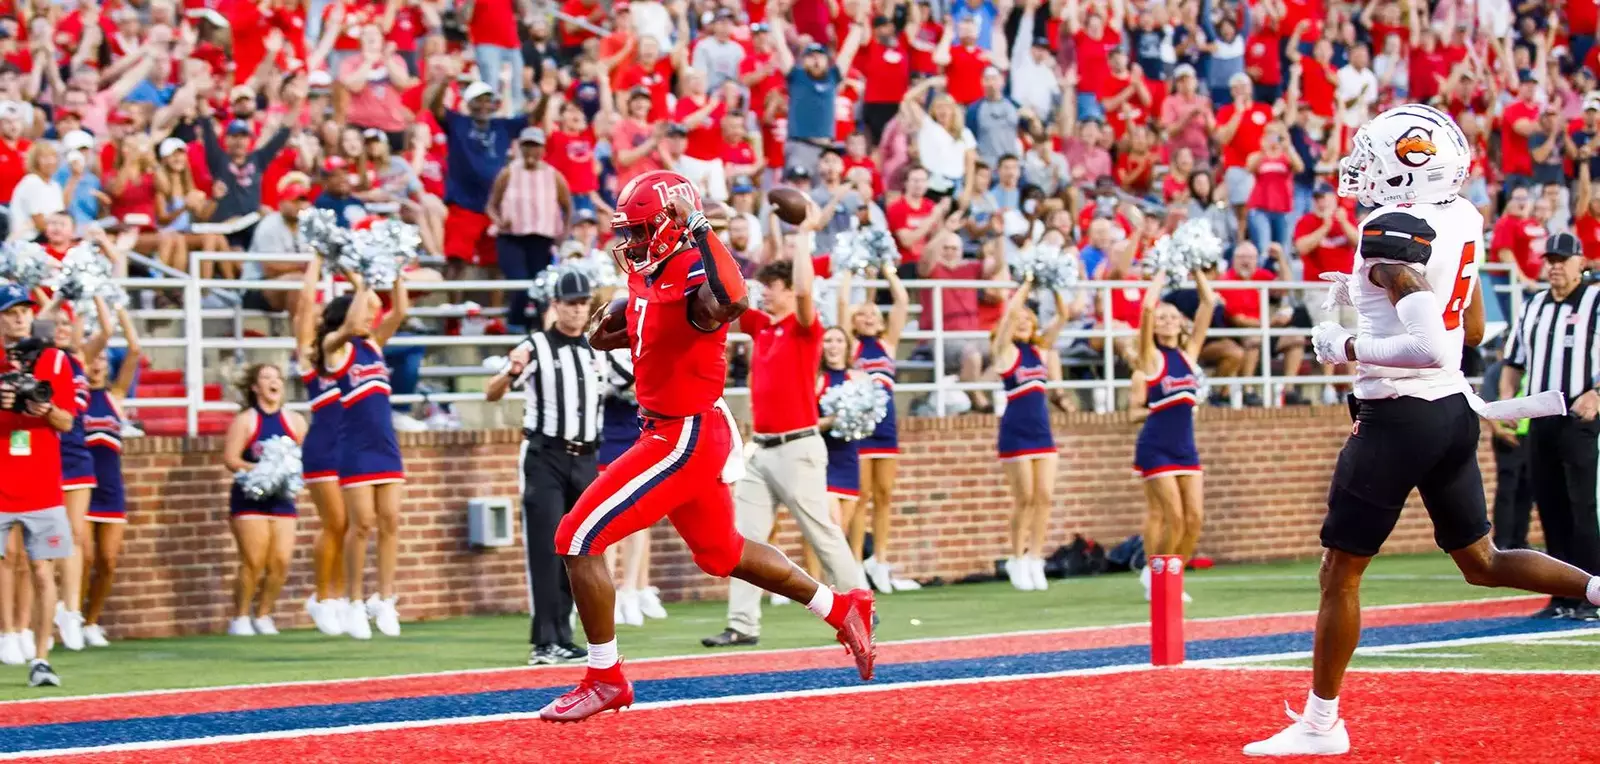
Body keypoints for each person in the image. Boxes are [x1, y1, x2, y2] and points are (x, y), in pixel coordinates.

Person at [1247, 104, 1600, 756]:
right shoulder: (1463, 215)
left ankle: (1322, 724)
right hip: (1451, 415)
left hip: (1398, 419)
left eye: (1377, 161)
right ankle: (1598, 587)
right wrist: (1370, 298)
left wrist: (1344, 342)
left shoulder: (1388, 229)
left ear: (1408, 169)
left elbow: (1433, 344)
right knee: (1482, 562)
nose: (1363, 170)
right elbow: (1466, 327)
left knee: (1340, 573)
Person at [539, 170, 875, 722]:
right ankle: (840, 606)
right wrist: (620, 321)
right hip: (676, 427)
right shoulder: (650, 274)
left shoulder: (696, 273)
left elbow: (731, 298)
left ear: (674, 224)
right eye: (632, 231)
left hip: (685, 432)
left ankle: (605, 676)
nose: (635, 242)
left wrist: (700, 230)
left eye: (644, 230)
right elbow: (611, 335)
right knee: (722, 553)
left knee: (577, 536)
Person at [711, 246, 871, 648]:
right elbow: (731, 295)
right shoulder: (762, 327)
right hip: (760, 450)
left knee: (820, 531)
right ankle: (742, 623)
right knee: (743, 538)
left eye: (771, 286)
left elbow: (804, 291)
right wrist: (705, 237)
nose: (764, 292)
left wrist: (805, 233)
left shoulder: (806, 327)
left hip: (797, 448)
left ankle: (862, 605)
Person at [486, 270, 602, 666]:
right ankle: (543, 640)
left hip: (586, 457)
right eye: (571, 303)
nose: (578, 310)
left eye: (583, 303)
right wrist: (512, 370)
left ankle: (564, 636)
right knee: (545, 547)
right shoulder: (535, 346)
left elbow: (632, 382)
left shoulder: (595, 349)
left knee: (578, 547)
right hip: (546, 456)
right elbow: (492, 392)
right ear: (555, 306)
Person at [1498, 231, 1600, 619]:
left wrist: (1597, 393)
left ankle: (1593, 593)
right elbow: (1513, 362)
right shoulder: (1533, 305)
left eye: (1563, 259)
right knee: (1550, 506)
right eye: (1550, 260)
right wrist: (1508, 402)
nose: (1555, 266)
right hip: (1541, 418)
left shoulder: (1597, 299)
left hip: (1581, 418)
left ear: (1582, 262)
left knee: (1583, 505)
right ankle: (1562, 595)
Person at [317, 271, 409, 639]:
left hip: (385, 447)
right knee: (361, 526)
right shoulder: (334, 347)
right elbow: (355, 322)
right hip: (355, 449)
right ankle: (353, 601)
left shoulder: (373, 344)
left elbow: (399, 310)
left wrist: (397, 267)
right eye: (365, 310)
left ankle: (384, 598)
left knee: (390, 522)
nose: (371, 316)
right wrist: (362, 280)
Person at [0, 283, 77, 687]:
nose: (19, 317)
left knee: (43, 571)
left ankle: (42, 658)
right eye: (11, 311)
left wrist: (45, 408)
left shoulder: (55, 360)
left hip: (42, 481)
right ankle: (7, 633)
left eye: (25, 311)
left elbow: (67, 422)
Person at [1129, 270, 1217, 602]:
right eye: (1161, 318)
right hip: (1156, 448)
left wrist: (1195, 269)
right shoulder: (1149, 358)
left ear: (1181, 322)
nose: (1166, 321)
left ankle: (1172, 574)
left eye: (1172, 317)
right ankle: (1157, 577)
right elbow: (1146, 310)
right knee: (1173, 516)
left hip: (1185, 447)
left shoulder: (1188, 355)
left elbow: (1208, 303)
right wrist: (1161, 274)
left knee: (1194, 519)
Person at [991, 277, 1070, 591]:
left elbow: (1063, 315)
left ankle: (1036, 557)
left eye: (1029, 319)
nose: (1023, 322)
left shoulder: (1041, 351)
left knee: (1045, 498)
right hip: (1016, 433)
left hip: (1042, 433)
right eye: (1019, 319)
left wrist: (1053, 281)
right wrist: (1026, 283)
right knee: (1024, 499)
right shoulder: (1004, 351)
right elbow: (1009, 314)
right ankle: (1016, 556)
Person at [836, 266, 908, 591]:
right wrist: (851, 272)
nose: (868, 317)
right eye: (862, 313)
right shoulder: (852, 346)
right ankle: (854, 565)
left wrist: (887, 270)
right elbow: (840, 304)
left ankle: (879, 559)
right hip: (862, 430)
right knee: (861, 497)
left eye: (873, 313)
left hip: (887, 431)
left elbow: (903, 302)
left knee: (885, 496)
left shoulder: (887, 345)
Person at [221, 364, 306, 636]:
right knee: (254, 561)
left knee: (280, 560)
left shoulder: (295, 421)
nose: (273, 382)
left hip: (282, 499)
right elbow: (231, 459)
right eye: (266, 378)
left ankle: (264, 614)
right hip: (250, 498)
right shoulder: (246, 420)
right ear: (255, 387)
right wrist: (261, 472)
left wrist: (288, 473)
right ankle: (241, 616)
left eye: (277, 378)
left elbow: (305, 457)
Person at [80, 301, 140, 647]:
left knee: (108, 561)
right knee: (84, 556)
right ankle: (72, 614)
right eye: (93, 359)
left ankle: (92, 621)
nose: (97, 364)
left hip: (111, 488)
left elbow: (134, 350)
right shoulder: (73, 396)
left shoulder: (116, 397)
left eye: (103, 359)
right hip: (82, 488)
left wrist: (118, 306)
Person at [594, 346, 666, 628]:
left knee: (640, 520)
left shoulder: (644, 348)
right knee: (609, 521)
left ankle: (632, 590)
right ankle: (608, 591)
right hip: (607, 440)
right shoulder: (600, 351)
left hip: (639, 437)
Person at [295, 257, 347, 636]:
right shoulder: (313, 361)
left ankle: (340, 596)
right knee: (336, 522)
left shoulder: (352, 356)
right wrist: (315, 261)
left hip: (350, 449)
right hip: (323, 448)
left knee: (350, 526)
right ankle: (322, 596)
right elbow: (303, 310)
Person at [818, 327, 866, 576]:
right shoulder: (815, 379)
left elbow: (870, 419)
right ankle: (828, 587)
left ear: (847, 347)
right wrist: (832, 420)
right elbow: (807, 423)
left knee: (841, 532)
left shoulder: (858, 379)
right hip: (822, 461)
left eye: (839, 340)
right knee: (833, 529)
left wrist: (857, 420)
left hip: (848, 460)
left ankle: (834, 589)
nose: (833, 345)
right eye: (828, 340)